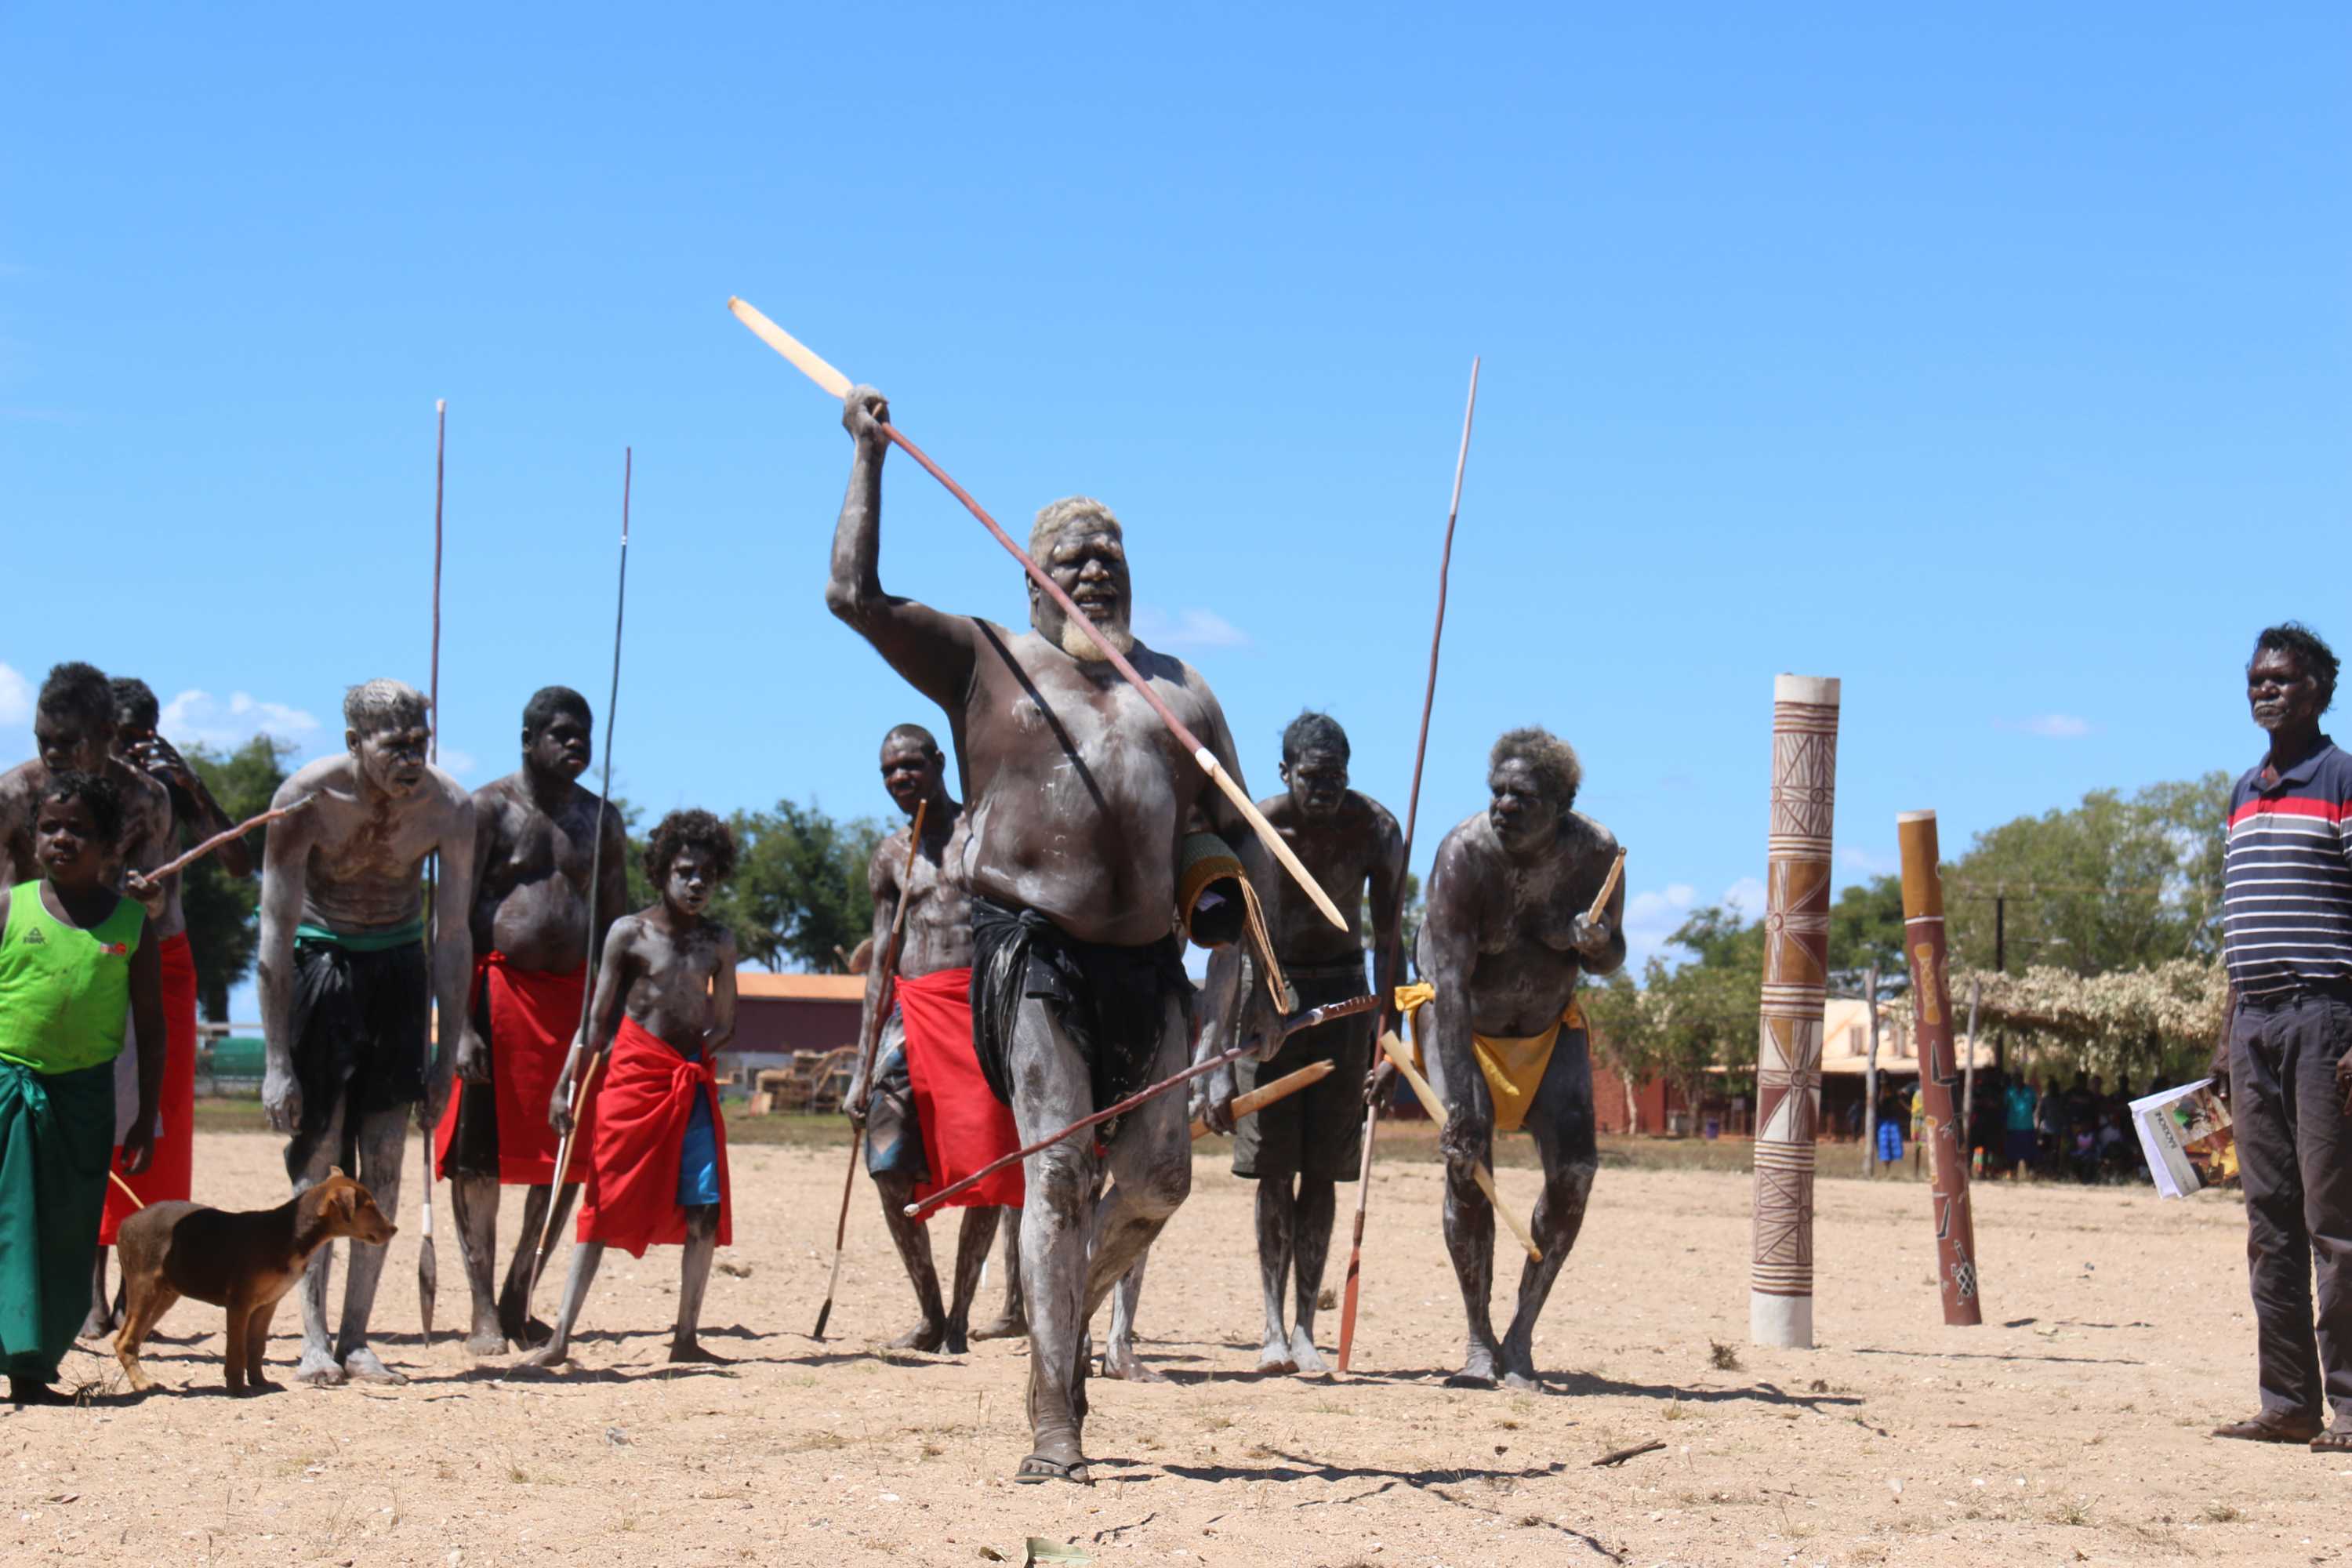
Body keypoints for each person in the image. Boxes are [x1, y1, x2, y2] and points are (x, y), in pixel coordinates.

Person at [823, 383, 1279, 1482]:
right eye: (1071, 558)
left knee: (1160, 1181)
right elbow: (853, 596)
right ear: (1030, 580)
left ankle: (1059, 1320)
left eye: (1111, 556)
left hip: (1150, 962)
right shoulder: (984, 659)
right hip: (1030, 952)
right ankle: (1053, 1424)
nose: (1094, 569)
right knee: (1060, 1170)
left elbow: (1245, 846)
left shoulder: (1182, 694)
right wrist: (868, 457)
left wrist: (1235, 1000)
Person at [256, 680, 480, 1386]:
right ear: (355, 743)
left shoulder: (449, 807)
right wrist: (276, 1061)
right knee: (320, 1156)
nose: (411, 759)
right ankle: (313, 1339)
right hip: (322, 964)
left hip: (398, 971)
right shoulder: (305, 799)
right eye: (395, 745)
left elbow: (452, 936)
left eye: (420, 743)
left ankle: (356, 1338)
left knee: (384, 1158)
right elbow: (274, 931)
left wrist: (445, 1055)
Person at [1183, 711, 1402, 1377]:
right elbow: (1232, 940)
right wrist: (1232, 1039)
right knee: (1274, 1167)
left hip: (1347, 996)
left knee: (1325, 1169)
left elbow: (1390, 939)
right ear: (1284, 772)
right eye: (1312, 777)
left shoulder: (1376, 829)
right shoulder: (1258, 827)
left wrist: (1392, 1038)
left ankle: (1307, 1325)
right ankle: (1272, 1328)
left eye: (1337, 777)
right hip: (1270, 998)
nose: (1326, 790)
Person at [1407, 728, 1625, 1390]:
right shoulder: (1464, 855)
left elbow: (1612, 959)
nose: (1503, 805)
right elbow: (1447, 983)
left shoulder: (1598, 855)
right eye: (1497, 792)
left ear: (1561, 804)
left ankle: (1520, 1335)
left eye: (1522, 796)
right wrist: (1461, 1105)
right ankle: (1478, 1340)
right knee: (1467, 1166)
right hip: (1463, 1027)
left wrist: (1597, 943)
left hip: (1549, 1029)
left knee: (1576, 1172)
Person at [435, 687, 627, 1354]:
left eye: (584, 734)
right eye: (562, 733)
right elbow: (450, 922)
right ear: (528, 740)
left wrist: (610, 1018)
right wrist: (458, 1026)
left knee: (565, 1157)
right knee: (479, 1161)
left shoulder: (602, 820)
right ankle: (482, 1308)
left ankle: (520, 1294)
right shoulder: (485, 809)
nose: (576, 744)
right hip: (495, 998)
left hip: (573, 1008)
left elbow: (617, 926)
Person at [524, 809, 739, 1369]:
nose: (696, 884)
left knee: (704, 1208)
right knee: (602, 1205)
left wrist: (692, 1060)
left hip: (688, 1082)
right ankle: (560, 1338)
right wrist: (565, 1087)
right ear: (662, 871)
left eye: (707, 874)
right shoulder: (629, 933)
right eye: (686, 872)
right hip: (632, 1079)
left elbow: (725, 1022)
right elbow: (595, 1021)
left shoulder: (718, 942)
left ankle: (686, 1335)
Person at [2207, 623, 2352, 1450]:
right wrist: (2227, 1038)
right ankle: (2288, 1401)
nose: (2265, 690)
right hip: (2253, 1022)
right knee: (2269, 1222)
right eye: (2256, 679)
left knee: (2336, 1220)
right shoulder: (2241, 793)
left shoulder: (2343, 780)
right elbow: (2241, 927)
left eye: (2282, 679)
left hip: (2326, 1017)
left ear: (2319, 690)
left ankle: (2351, 1407)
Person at [844, 724, 1018, 1356]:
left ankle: (961, 1319)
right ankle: (931, 1312)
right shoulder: (890, 856)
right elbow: (879, 966)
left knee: (989, 1166)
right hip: (911, 1013)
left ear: (940, 763)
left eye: (911, 765)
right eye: (889, 771)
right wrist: (861, 1066)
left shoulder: (985, 834)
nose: (900, 778)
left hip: (979, 1009)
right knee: (888, 1166)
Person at [88, 676, 252, 1331]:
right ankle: (91, 1291)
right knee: (95, 1109)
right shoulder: (83, 796)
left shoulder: (169, 794)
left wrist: (194, 786)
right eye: (122, 736)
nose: (135, 748)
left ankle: (137, 1284)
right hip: (97, 954)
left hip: (167, 955)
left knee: (163, 1118)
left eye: (145, 736)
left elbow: (239, 864)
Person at [0, 771, 162, 1402]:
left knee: (66, 1232)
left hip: (85, 1100)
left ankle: (35, 1365)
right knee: (10, 1222)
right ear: (33, 837)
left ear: (111, 845)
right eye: (50, 827)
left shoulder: (131, 924)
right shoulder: (10, 908)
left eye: (79, 830)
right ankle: (13, 1355)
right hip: (9, 1087)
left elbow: (152, 1025)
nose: (62, 839)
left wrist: (145, 1115)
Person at [2002, 1072, 2038, 1181]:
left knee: (2029, 1153)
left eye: (2019, 1078)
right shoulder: (2009, 1091)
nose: (2017, 1080)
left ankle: (2030, 1174)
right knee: (2012, 1152)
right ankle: (2012, 1173)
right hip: (2012, 1126)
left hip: (2027, 1127)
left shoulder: (2030, 1091)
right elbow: (2005, 1107)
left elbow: (2034, 1106)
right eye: (2015, 1079)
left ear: (2022, 1079)